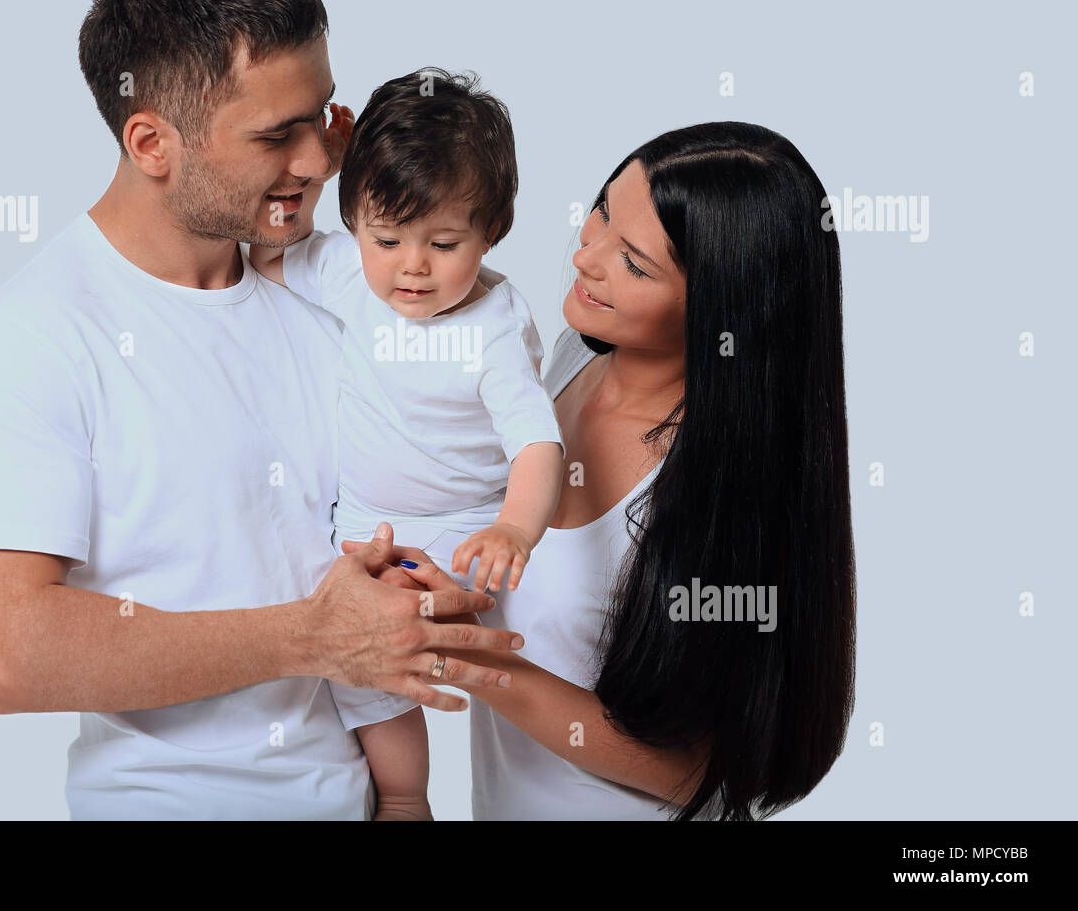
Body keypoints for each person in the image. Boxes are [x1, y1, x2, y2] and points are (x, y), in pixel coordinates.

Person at [0, 0, 518, 821]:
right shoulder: (32, 333)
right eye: (277, 135)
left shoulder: (337, 290)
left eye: (324, 116)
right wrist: (313, 640)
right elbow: (11, 654)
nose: (318, 160)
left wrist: (433, 584)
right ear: (152, 141)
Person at [352, 122, 857, 820]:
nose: (587, 257)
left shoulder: (723, 486)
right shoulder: (566, 361)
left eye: (635, 263)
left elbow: (700, 776)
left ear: (722, 309)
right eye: (602, 213)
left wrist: (476, 663)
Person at [249, 68, 565, 821]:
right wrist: (316, 175)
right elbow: (265, 256)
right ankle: (403, 797)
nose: (412, 266)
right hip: (366, 527)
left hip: (468, 530)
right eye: (386, 238)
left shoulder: (491, 327)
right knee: (358, 665)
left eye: (444, 242)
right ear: (358, 221)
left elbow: (537, 444)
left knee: (485, 642)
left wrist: (514, 527)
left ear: (492, 231)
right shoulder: (347, 274)